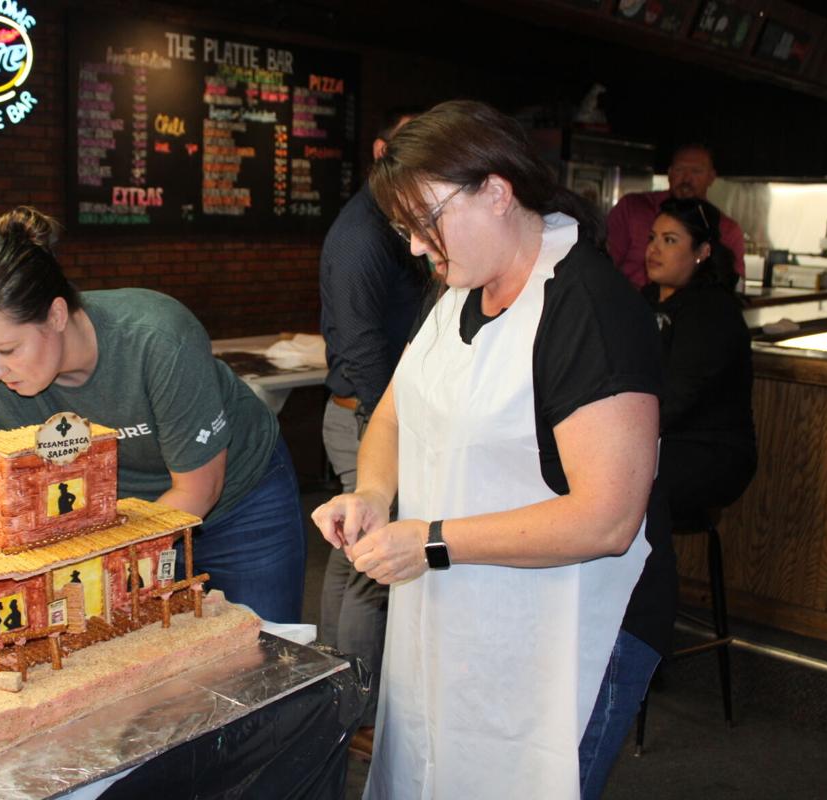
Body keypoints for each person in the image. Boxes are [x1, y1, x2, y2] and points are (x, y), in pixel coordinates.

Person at [310, 100, 675, 799]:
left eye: (425, 222)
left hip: (571, 624)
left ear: (497, 191)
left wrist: (435, 542)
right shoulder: (455, 291)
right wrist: (374, 494)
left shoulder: (586, 307)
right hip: (465, 612)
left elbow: (608, 518)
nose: (416, 247)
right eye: (403, 230)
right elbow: (392, 411)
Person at [0, 206, 306, 625]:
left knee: (261, 648)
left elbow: (198, 490)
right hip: (126, 517)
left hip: (240, 501)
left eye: (6, 350)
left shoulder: (157, 340)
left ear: (58, 315)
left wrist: (84, 566)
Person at [317, 106, 428, 744]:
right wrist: (389, 430)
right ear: (383, 150)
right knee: (369, 566)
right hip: (365, 415)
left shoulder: (390, 223)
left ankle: (334, 692)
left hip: (364, 412)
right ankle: (357, 715)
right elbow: (361, 348)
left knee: (347, 560)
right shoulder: (364, 233)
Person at [644, 197, 757, 515]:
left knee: (611, 479)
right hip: (653, 438)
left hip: (707, 450)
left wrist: (621, 433)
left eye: (670, 240)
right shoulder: (645, 299)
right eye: (652, 238)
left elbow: (679, 396)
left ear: (702, 252)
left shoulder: (712, 310)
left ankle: (652, 566)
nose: (654, 249)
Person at [607, 143, 746, 289]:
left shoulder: (726, 228)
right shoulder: (633, 208)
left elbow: (734, 286)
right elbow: (604, 264)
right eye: (680, 170)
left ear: (711, 177)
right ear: (670, 173)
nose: (686, 178)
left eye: (696, 171)